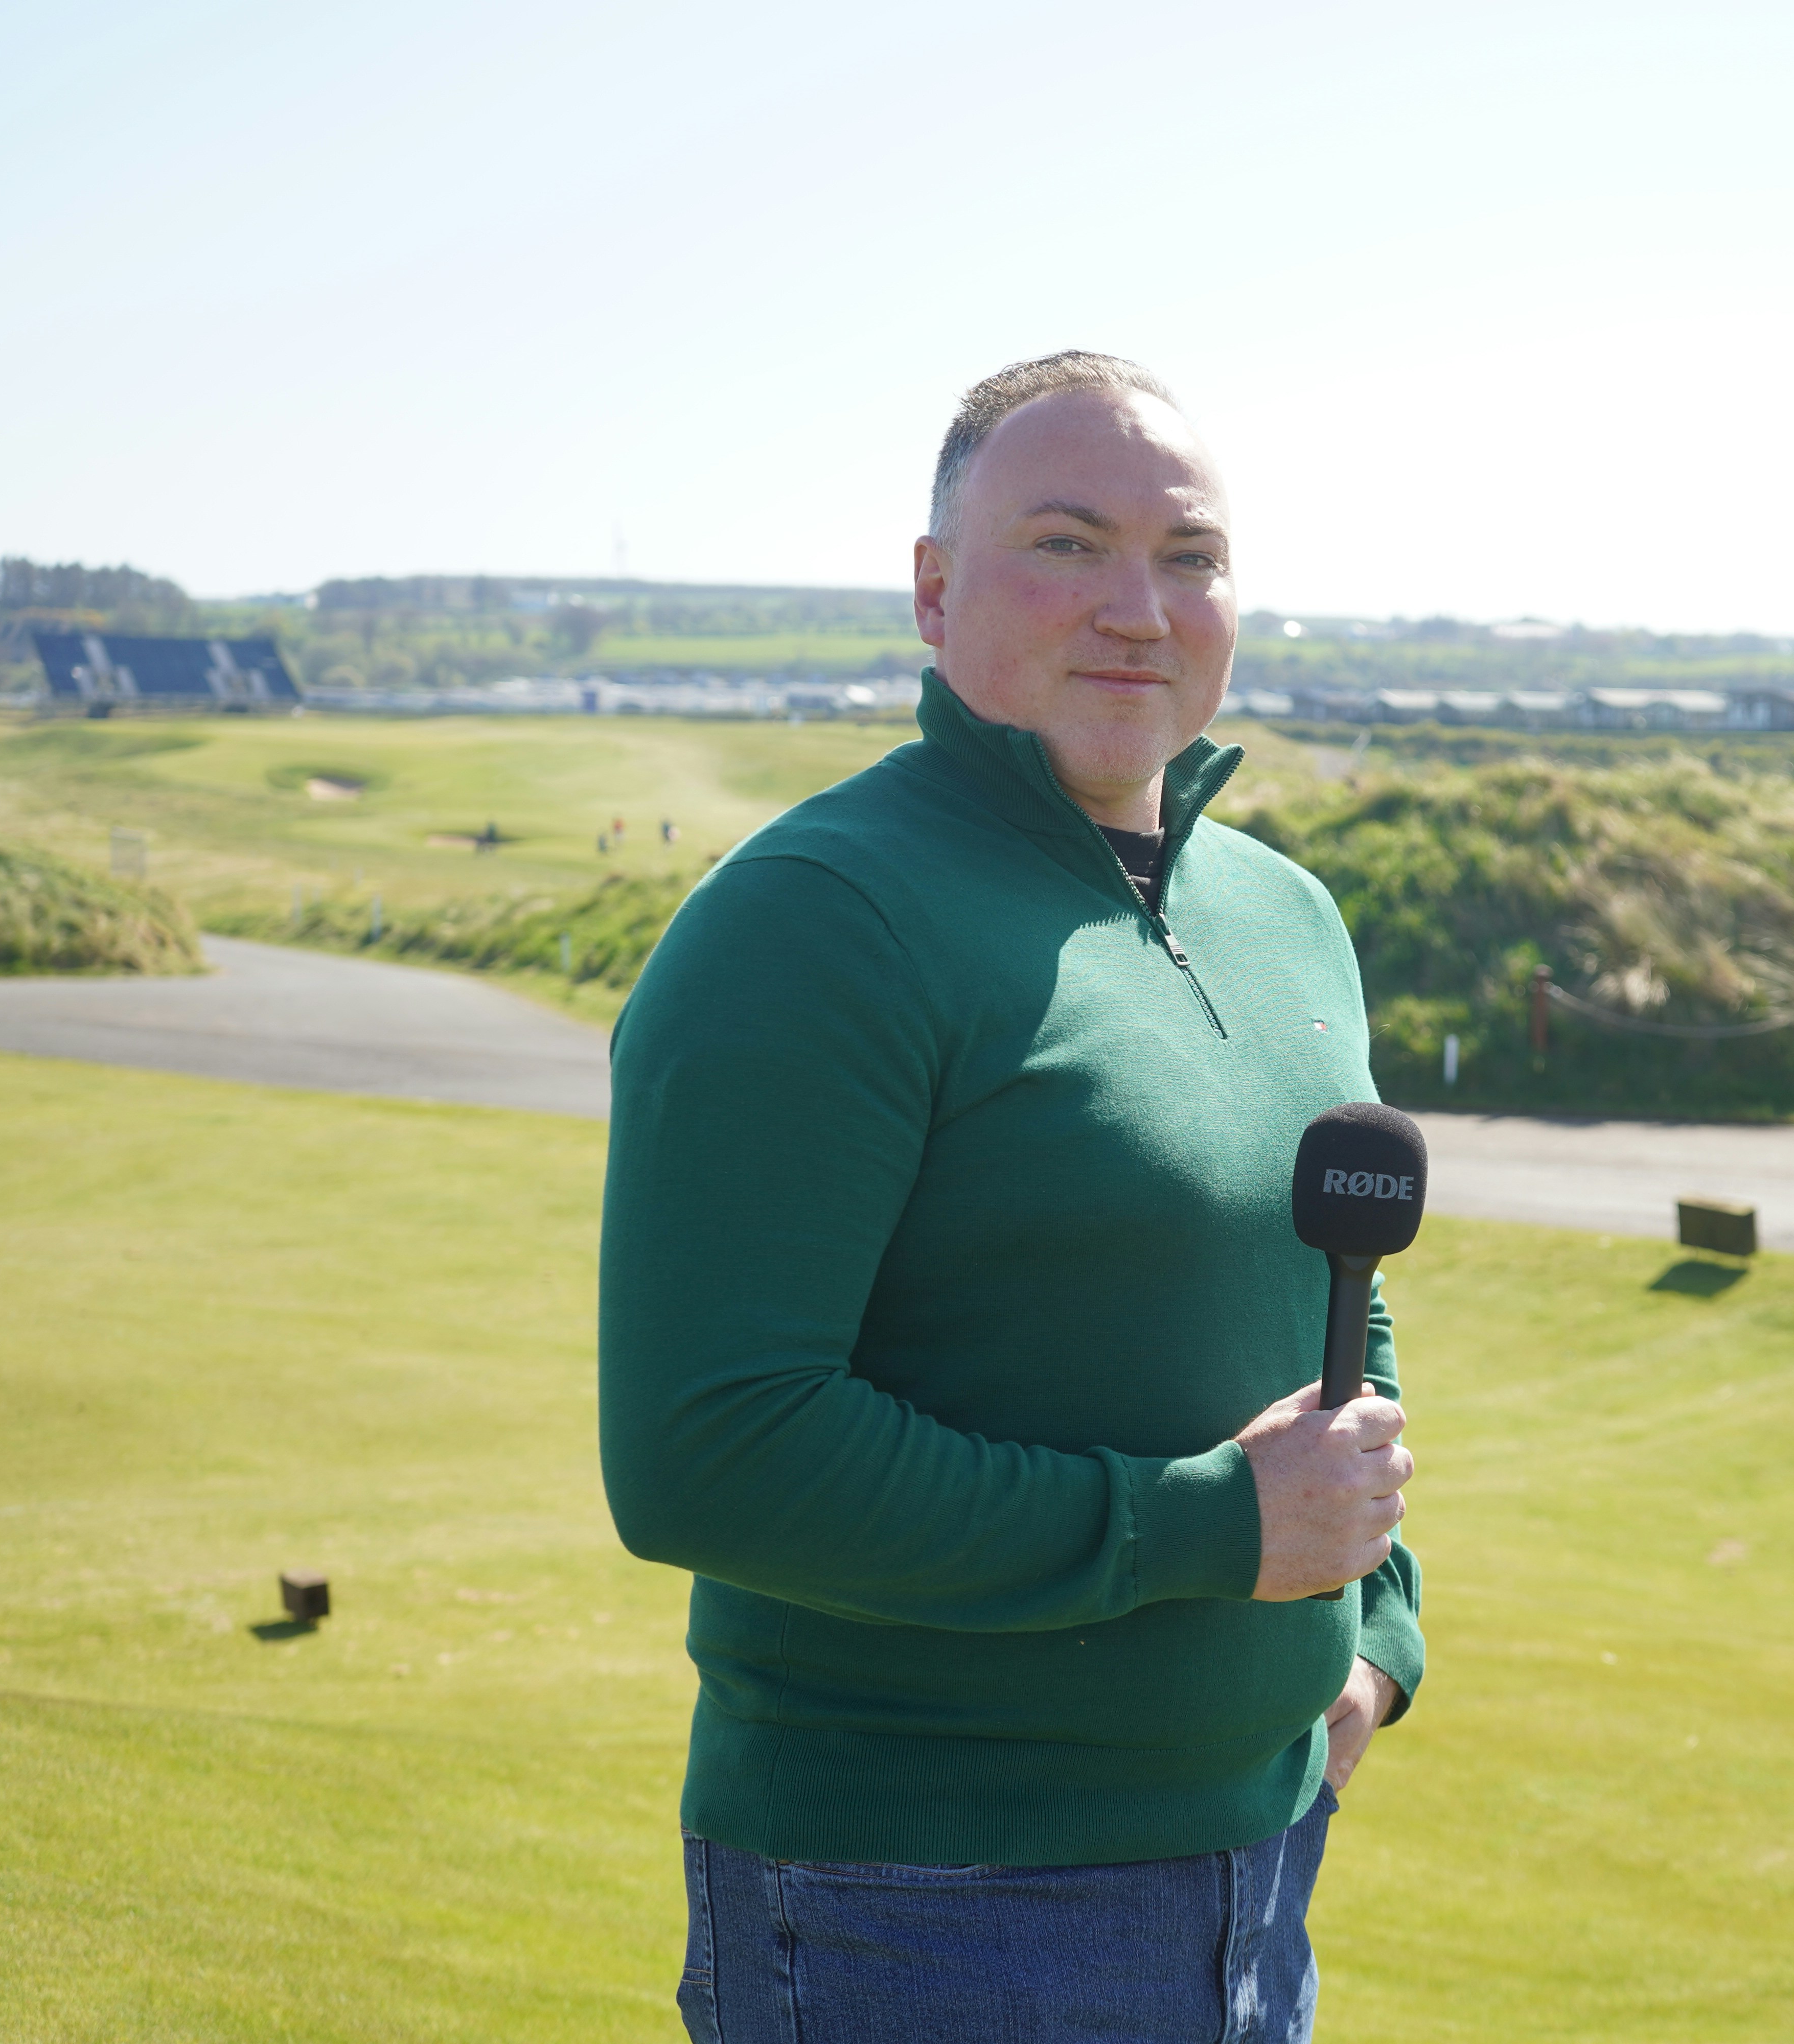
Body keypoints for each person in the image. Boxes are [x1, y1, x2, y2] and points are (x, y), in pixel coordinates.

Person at [600, 351, 1421, 2043]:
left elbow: (1334, 1291)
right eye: (1066, 544)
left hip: (1263, 1864)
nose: (1137, 607)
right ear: (932, 591)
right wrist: (1210, 1529)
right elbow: (713, 1454)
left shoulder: (1288, 918)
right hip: (924, 1910)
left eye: (1188, 557)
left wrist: (1374, 1635)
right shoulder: (816, 919)